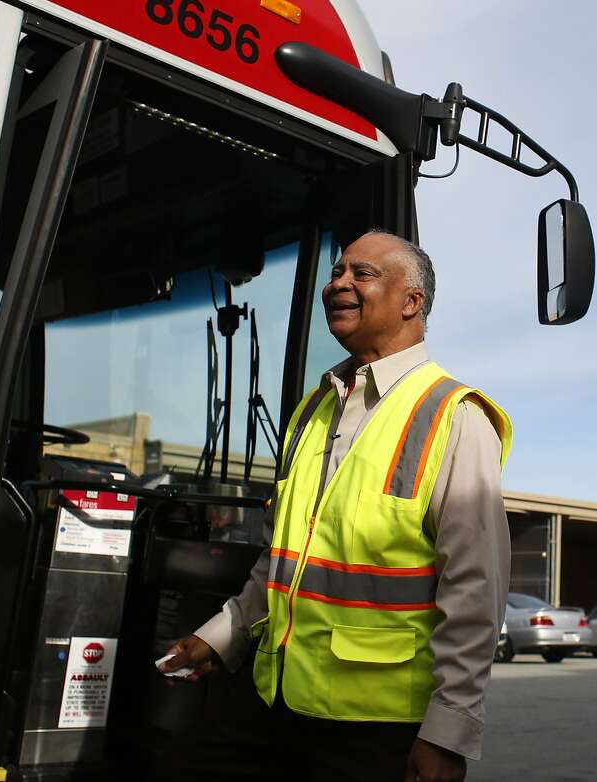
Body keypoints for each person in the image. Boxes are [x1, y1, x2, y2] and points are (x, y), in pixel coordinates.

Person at [160, 230, 512, 782]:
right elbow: (282, 560)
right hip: (275, 704)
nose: (337, 284)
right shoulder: (312, 411)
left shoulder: (455, 416)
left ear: (412, 302)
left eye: (361, 273)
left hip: (374, 731)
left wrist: (448, 732)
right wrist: (222, 635)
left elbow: (476, 591)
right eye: (336, 272)